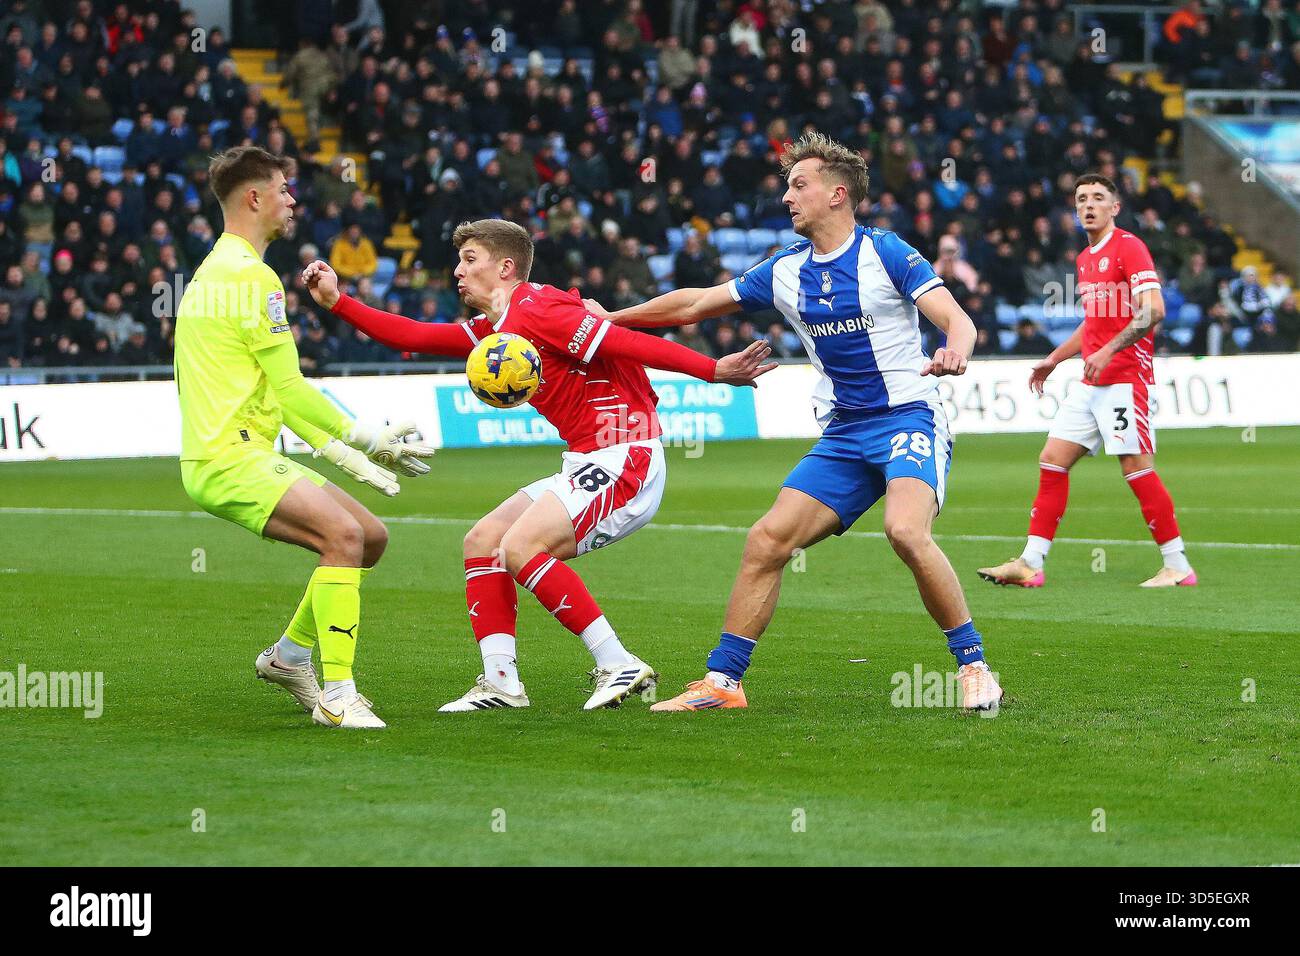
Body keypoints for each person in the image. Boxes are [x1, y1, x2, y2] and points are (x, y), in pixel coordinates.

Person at [588, 132, 1003, 713]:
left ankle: (975, 667)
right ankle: (723, 684)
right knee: (766, 540)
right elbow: (694, 305)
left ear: (838, 195)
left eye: (798, 185)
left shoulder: (886, 253)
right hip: (844, 433)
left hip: (909, 416)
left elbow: (955, 319)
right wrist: (612, 320)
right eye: (787, 186)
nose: (787, 196)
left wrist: (955, 348)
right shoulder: (784, 269)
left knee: (905, 531)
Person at [302, 218, 774, 712]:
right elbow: (416, 335)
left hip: (625, 453)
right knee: (483, 542)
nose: (457, 272)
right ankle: (501, 682)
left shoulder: (539, 309)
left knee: (522, 546)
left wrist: (712, 369)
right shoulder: (496, 327)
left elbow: (624, 342)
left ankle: (618, 662)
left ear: (506, 268)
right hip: (587, 458)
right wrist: (339, 303)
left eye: (470, 260)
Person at [174, 146, 434, 730]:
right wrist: (366, 437)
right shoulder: (251, 278)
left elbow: (271, 393)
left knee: (369, 537)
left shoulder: (212, 273)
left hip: (234, 451)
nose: (293, 200)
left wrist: (341, 452)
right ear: (255, 198)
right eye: (284, 189)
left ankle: (288, 658)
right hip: (229, 457)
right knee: (341, 535)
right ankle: (337, 695)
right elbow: (291, 387)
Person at [977, 173, 1195, 589]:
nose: (1088, 204)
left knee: (1135, 467)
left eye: (1098, 197)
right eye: (1081, 199)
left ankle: (1178, 564)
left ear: (1115, 207)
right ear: (1075, 210)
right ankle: (1030, 562)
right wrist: (1055, 358)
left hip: (1125, 379)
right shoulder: (1084, 259)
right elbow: (1093, 323)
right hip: (1091, 381)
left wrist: (1109, 350)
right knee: (1052, 459)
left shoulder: (1129, 247)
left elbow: (1154, 310)